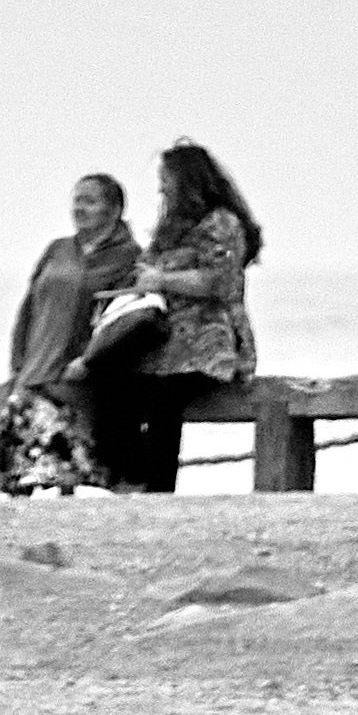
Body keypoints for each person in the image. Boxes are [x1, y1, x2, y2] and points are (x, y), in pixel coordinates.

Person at [75, 137, 252, 496]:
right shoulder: (170, 228)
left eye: (166, 179)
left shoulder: (221, 223)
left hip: (210, 345)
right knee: (108, 380)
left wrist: (163, 280)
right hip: (167, 344)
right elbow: (149, 266)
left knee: (164, 397)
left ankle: (158, 490)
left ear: (188, 180)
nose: (161, 187)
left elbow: (220, 280)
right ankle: (128, 477)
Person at [0, 170, 143, 498]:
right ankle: (20, 513)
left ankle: (66, 504)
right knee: (22, 444)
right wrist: (17, 362)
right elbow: (28, 309)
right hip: (37, 365)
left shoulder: (130, 256)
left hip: (84, 371)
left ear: (114, 210)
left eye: (89, 201)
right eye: (76, 200)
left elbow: (127, 319)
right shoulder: (57, 250)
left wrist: (91, 359)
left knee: (69, 450)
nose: (79, 208)